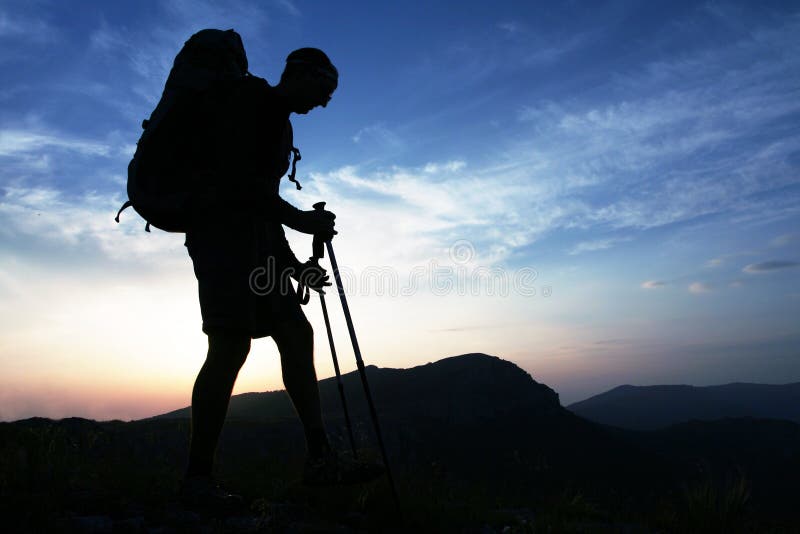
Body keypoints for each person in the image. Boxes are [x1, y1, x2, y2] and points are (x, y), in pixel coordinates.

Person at [178, 47, 383, 506]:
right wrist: (304, 224)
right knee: (230, 347)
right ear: (301, 76)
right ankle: (197, 479)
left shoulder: (278, 121)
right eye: (324, 90)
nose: (325, 103)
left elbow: (264, 212)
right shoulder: (249, 104)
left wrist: (294, 269)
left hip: (253, 246)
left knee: (295, 331)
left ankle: (320, 457)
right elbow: (241, 188)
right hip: (222, 241)